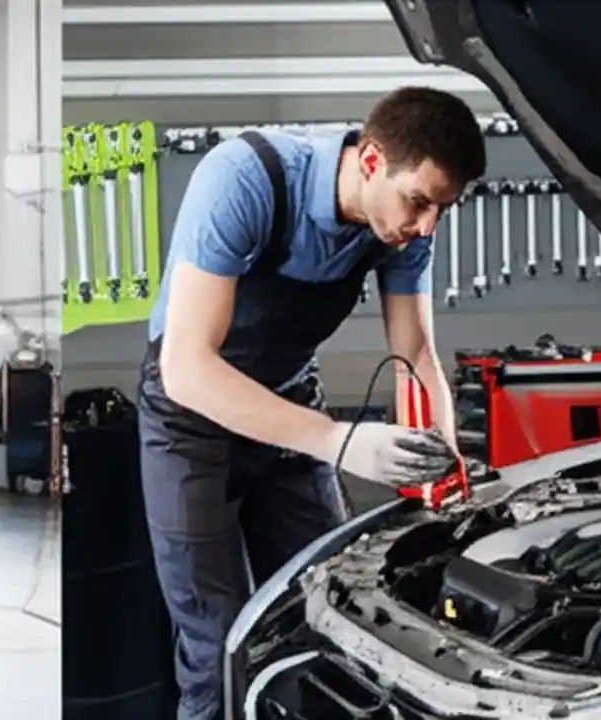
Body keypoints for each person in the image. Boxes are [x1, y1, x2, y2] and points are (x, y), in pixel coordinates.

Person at [136, 86, 486, 719]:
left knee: (327, 607)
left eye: (442, 209)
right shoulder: (246, 178)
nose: (426, 226)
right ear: (372, 160)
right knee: (219, 645)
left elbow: (416, 353)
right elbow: (187, 368)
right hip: (189, 421)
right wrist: (342, 441)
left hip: (290, 401)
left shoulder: (404, 229)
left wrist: (446, 459)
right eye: (418, 202)